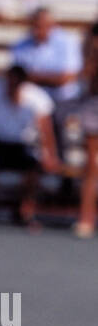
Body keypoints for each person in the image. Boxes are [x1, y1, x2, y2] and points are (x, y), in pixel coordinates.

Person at [0, 65, 58, 227]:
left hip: (22, 145)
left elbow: (46, 129)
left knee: (33, 169)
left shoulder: (37, 98)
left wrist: (50, 154)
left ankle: (25, 211)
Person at [72, 20, 98, 238]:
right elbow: (87, 76)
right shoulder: (90, 45)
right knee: (90, 165)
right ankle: (86, 217)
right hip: (93, 105)